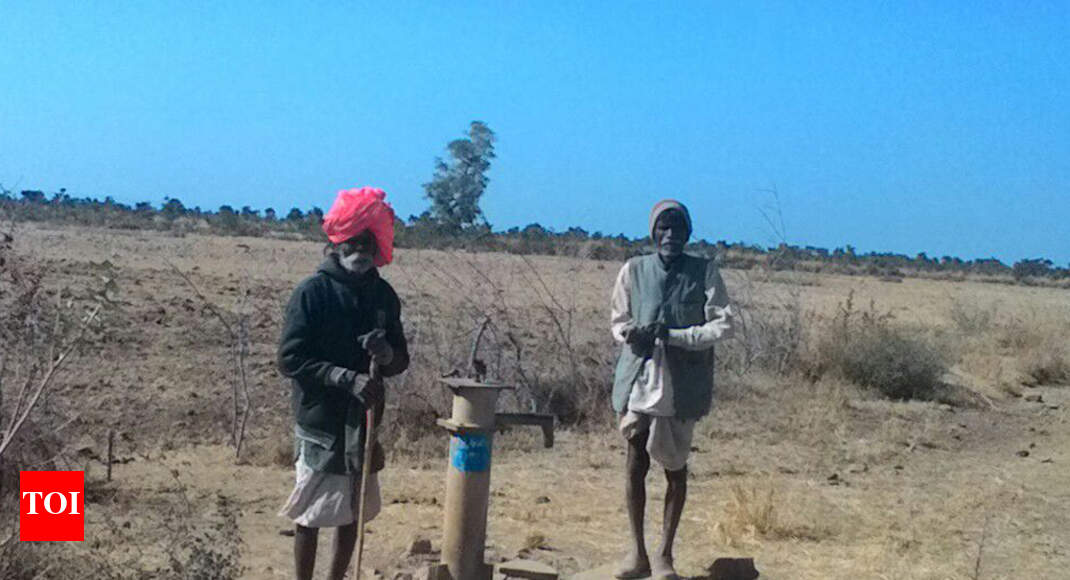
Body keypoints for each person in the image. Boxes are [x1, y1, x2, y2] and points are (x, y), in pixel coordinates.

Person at [277, 187, 409, 580]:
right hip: (322, 422)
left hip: (365, 420)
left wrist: (385, 354)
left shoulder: (383, 296)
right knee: (312, 512)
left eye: (368, 241)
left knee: (354, 509)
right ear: (336, 244)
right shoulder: (312, 293)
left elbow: (400, 360)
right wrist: (344, 377)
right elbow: (289, 359)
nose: (361, 249)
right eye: (353, 241)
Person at [609, 199, 733, 579]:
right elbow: (618, 319)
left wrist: (677, 336)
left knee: (675, 468)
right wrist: (630, 333)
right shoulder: (634, 269)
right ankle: (637, 554)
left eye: (677, 229)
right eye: (663, 229)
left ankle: (665, 555)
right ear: (653, 232)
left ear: (687, 234)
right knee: (635, 464)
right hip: (640, 379)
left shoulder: (704, 271)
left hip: (681, 384)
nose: (670, 236)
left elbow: (721, 326)